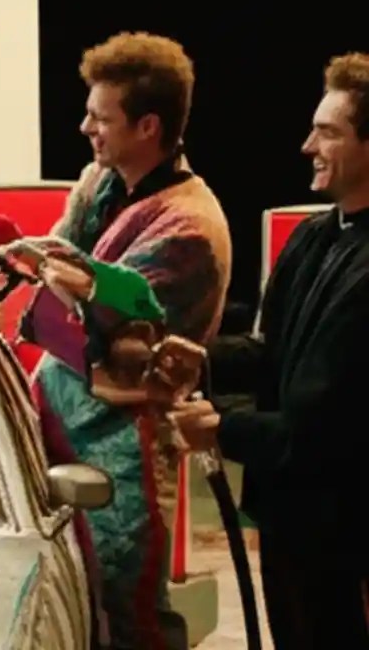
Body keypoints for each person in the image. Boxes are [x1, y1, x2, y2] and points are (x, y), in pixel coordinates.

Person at [0, 32, 232, 649]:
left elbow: (114, 343)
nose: (86, 127)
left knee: (126, 606)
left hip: (127, 449)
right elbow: (54, 264)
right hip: (62, 420)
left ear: (148, 126)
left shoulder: (192, 227)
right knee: (75, 600)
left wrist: (57, 296)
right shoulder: (99, 183)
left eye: (100, 117)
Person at [171, 52, 369, 649]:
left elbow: (323, 424)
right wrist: (197, 358)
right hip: (291, 518)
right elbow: (274, 350)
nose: (308, 145)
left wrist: (220, 428)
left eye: (328, 132)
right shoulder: (316, 236)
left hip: (348, 529)